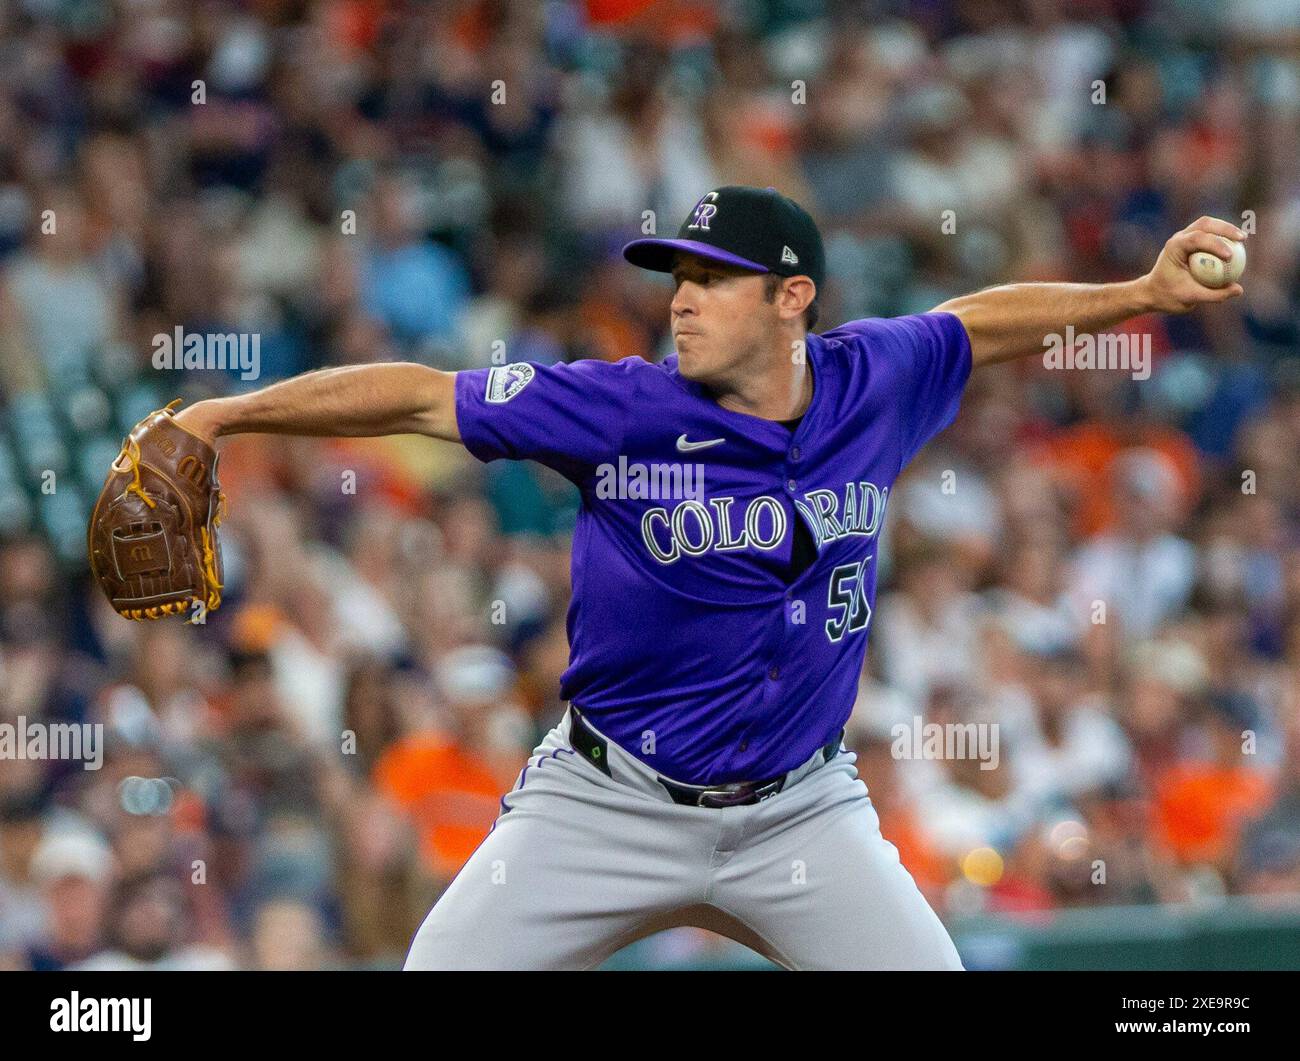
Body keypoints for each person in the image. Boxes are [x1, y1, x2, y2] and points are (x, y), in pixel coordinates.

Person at [173, 186, 1244, 969]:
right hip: (605, 798)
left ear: (793, 299)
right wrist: (220, 415)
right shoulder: (619, 406)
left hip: (799, 812)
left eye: (710, 281)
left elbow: (976, 323)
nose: (680, 302)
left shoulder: (872, 378)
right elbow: (418, 395)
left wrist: (1138, 291)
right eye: (675, 278)